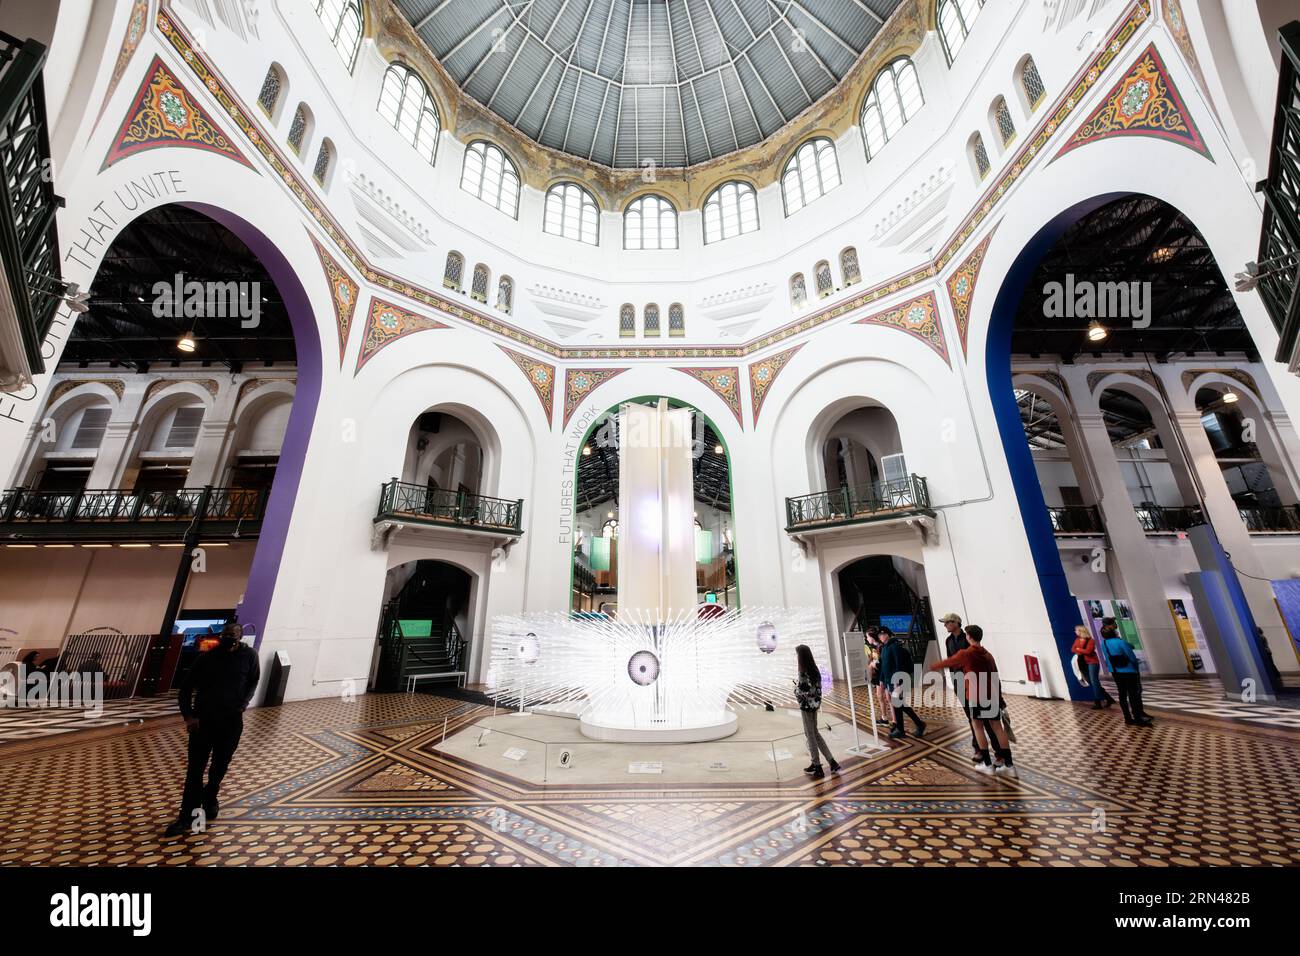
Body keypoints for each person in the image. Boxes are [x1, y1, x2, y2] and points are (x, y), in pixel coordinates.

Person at [164, 621, 261, 838]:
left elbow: (253, 681)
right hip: (203, 721)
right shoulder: (207, 658)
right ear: (221, 635)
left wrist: (243, 704)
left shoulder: (250, 656)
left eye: (233, 636)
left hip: (231, 722)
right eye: (226, 635)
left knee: (219, 766)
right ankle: (186, 816)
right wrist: (189, 717)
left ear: (240, 637)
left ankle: (210, 797)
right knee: (194, 771)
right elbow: (185, 689)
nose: (230, 640)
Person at [928, 625, 1017, 778]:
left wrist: (932, 666)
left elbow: (949, 662)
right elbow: (995, 677)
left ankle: (987, 765)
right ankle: (1009, 766)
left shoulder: (966, 654)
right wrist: (1000, 699)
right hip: (992, 695)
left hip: (976, 696)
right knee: (997, 728)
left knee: (978, 727)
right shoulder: (988, 655)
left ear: (968, 636)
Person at [939, 611, 983, 754]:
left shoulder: (967, 638)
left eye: (947, 622)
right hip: (959, 679)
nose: (945, 625)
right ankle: (977, 744)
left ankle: (987, 745)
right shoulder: (948, 640)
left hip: (973, 678)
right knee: (969, 713)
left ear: (956, 623)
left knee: (980, 713)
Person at [794, 643, 840, 779]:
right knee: (815, 733)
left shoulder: (803, 672)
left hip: (806, 707)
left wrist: (795, 690)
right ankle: (832, 761)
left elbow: (803, 691)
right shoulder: (815, 670)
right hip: (815, 706)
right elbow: (817, 689)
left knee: (810, 735)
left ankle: (817, 765)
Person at [1100, 618, 1152, 727]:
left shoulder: (1103, 643)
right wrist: (1135, 664)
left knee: (1122, 694)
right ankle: (1137, 717)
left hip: (1115, 671)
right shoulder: (1120, 642)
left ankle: (1127, 717)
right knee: (1133, 694)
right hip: (1128, 671)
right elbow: (1131, 657)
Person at [879, 629, 925, 739]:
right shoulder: (885, 647)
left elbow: (898, 665)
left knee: (900, 704)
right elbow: (884, 666)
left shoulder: (894, 646)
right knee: (898, 705)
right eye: (880, 634)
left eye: (883, 634)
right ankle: (903, 729)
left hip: (897, 681)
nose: (881, 636)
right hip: (889, 681)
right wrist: (882, 680)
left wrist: (897, 681)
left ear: (888, 635)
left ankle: (915, 725)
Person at [1072, 625, 1114, 710]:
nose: (1075, 632)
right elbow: (1073, 649)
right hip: (1082, 663)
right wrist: (1080, 649)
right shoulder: (1077, 640)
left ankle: (1098, 702)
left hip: (1092, 662)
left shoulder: (1091, 640)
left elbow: (1088, 651)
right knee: (1089, 681)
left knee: (1094, 681)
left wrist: (1079, 649)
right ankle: (1108, 698)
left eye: (1076, 630)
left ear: (1081, 631)